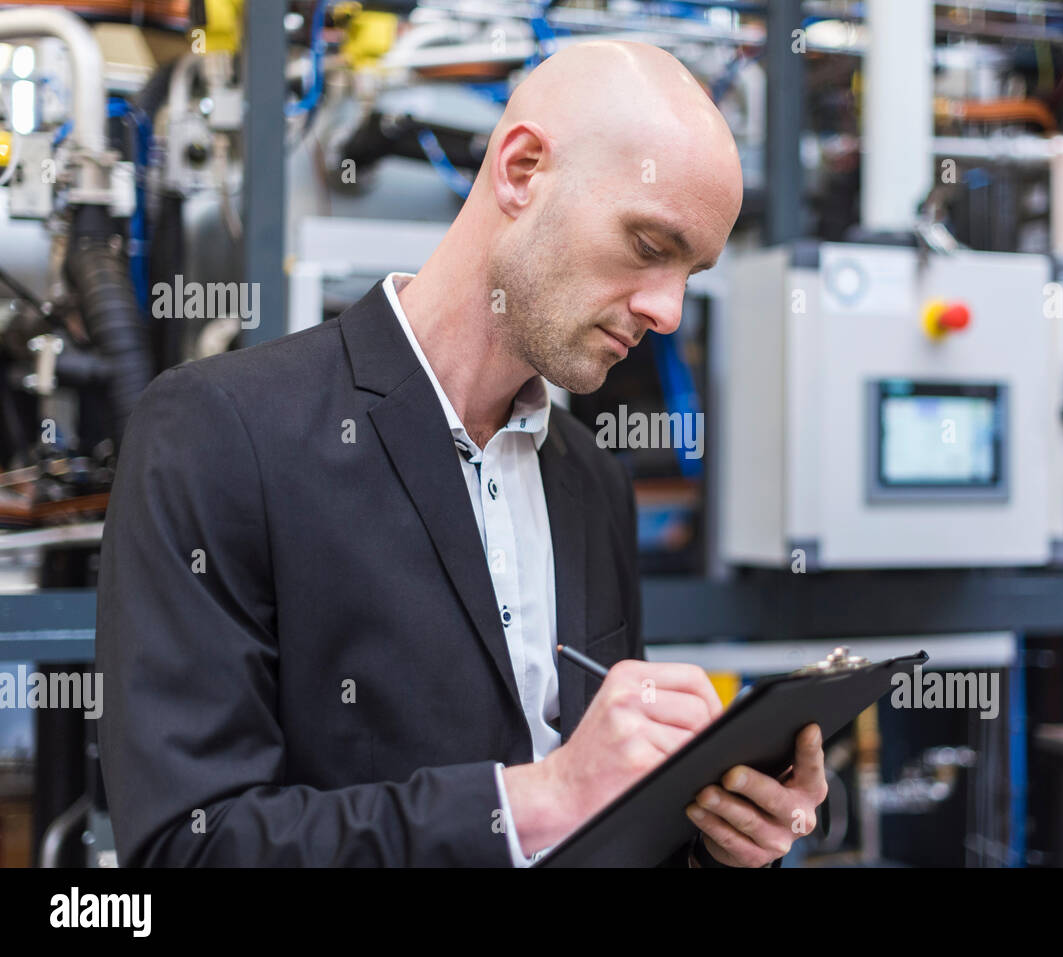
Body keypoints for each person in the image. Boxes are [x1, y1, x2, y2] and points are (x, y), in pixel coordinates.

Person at [97, 39, 827, 867]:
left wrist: (715, 843)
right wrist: (539, 798)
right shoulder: (219, 433)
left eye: (690, 272)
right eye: (650, 246)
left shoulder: (588, 478)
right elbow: (187, 847)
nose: (668, 311)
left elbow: (609, 829)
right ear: (522, 171)